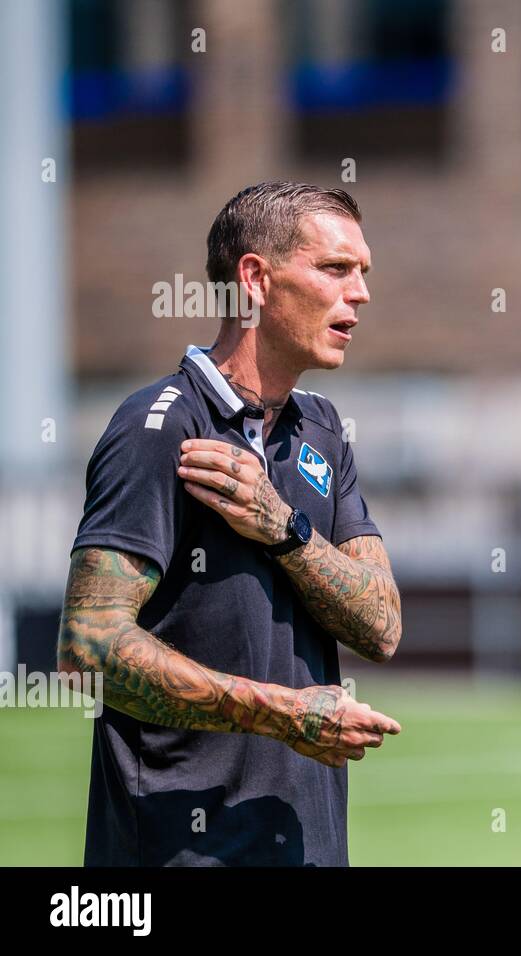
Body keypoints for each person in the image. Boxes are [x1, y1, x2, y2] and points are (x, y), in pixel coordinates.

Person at [58, 182, 402, 866]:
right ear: (255, 279)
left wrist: (285, 528)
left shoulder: (324, 430)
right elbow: (87, 652)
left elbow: (382, 626)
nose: (359, 293)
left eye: (363, 273)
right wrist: (282, 714)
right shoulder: (158, 427)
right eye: (335, 269)